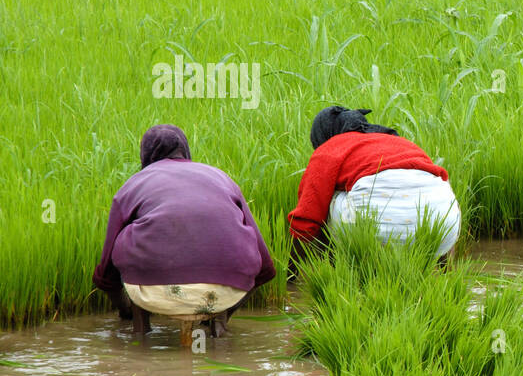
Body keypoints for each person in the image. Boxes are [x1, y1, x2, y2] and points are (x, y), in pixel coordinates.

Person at [92, 125, 275, 337]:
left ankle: (141, 331)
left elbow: (107, 274)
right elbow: (266, 267)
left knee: (135, 240)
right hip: (224, 293)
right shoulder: (222, 178)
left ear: (145, 155)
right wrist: (228, 308)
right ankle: (218, 326)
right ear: (185, 150)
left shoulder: (134, 184)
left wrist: (125, 311)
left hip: (152, 292)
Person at [288, 106, 461, 259]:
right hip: (443, 228)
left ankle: (344, 273)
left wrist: (289, 276)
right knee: (442, 196)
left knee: (325, 200)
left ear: (324, 137)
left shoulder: (331, 148)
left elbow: (306, 220)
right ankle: (447, 278)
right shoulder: (401, 143)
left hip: (371, 231)